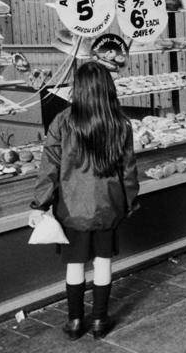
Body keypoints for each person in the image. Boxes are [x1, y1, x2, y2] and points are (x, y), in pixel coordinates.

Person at [28, 61, 139, 340]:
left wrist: (39, 205)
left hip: (71, 208)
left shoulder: (62, 121)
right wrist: (129, 203)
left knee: (75, 264)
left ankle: (75, 321)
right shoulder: (120, 123)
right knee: (103, 261)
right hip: (108, 205)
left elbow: (49, 167)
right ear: (107, 89)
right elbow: (128, 171)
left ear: (77, 89)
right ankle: (100, 320)